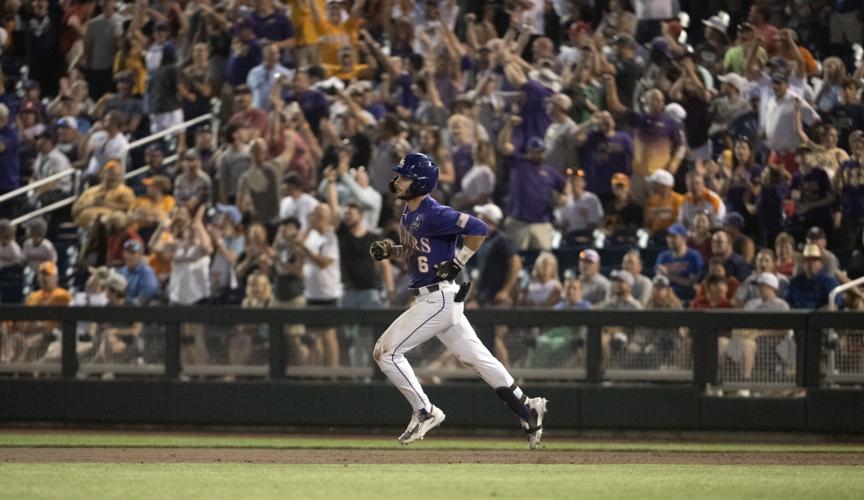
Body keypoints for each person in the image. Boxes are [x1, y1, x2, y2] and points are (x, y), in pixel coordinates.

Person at [368, 152, 547, 449]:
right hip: (437, 297)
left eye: (405, 176)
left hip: (438, 297)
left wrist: (459, 260)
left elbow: (479, 228)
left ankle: (425, 411)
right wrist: (395, 250)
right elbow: (423, 249)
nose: (398, 181)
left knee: (385, 353)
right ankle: (527, 407)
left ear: (420, 182)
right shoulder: (411, 212)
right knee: (478, 360)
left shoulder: (434, 211)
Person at [655, 223, 704, 302]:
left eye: (674, 236)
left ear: (684, 238)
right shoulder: (663, 256)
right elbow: (659, 280)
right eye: (669, 236)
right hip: (666, 298)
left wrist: (668, 275)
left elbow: (691, 283)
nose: (670, 239)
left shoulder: (694, 256)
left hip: (688, 298)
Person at [785, 243, 840, 309]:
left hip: (820, 317)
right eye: (807, 260)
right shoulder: (795, 282)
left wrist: (814, 316)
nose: (811, 264)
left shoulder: (829, 281)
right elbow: (787, 303)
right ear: (803, 264)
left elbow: (834, 305)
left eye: (814, 260)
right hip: (797, 317)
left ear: (821, 263)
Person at [117, 239, 160, 305]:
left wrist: (123, 302)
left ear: (140, 255)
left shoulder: (147, 272)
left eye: (132, 253)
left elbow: (145, 298)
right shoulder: (121, 271)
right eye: (127, 252)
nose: (129, 256)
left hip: (140, 311)